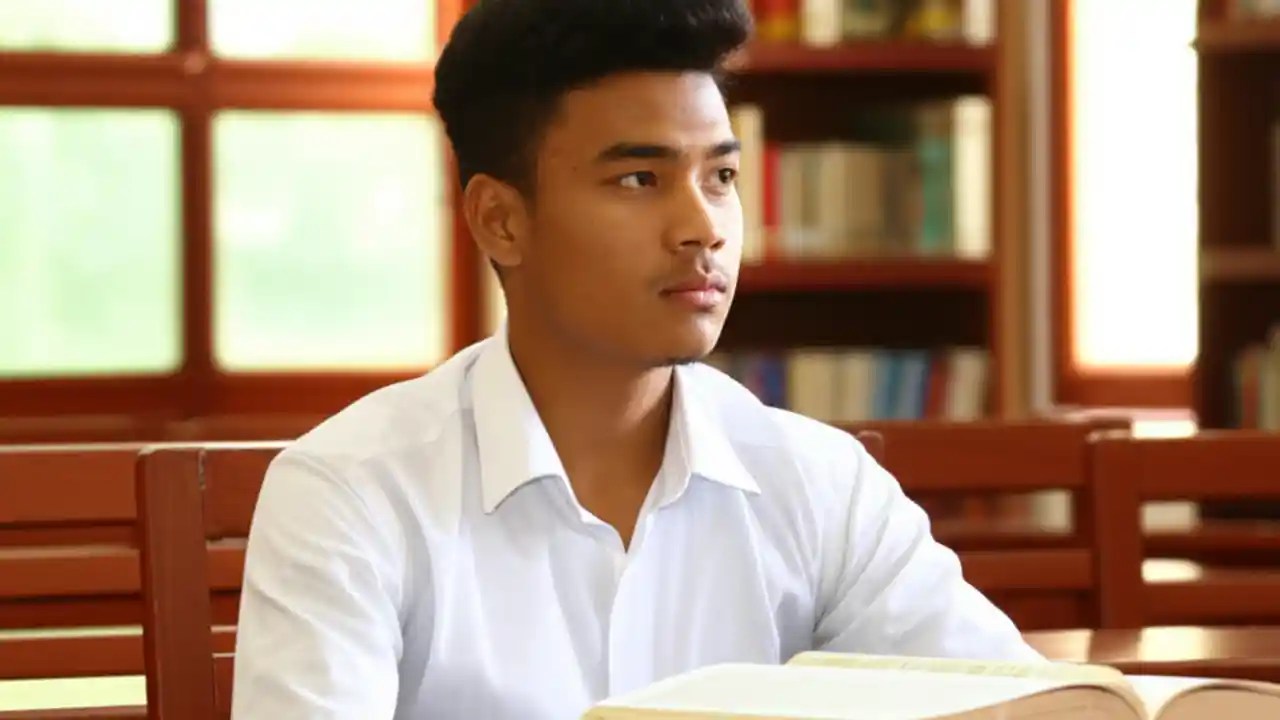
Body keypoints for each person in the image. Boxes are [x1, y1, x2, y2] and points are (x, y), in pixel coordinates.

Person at [230, 0, 1041, 717]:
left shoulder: (820, 485)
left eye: (721, 176)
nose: (704, 228)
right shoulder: (351, 494)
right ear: (500, 221)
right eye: (640, 178)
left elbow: (1021, 704)